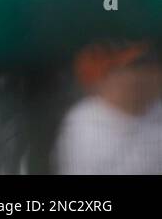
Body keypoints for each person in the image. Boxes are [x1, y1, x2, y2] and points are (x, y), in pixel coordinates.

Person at [56, 43, 162, 174]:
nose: (149, 76)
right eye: (136, 68)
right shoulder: (84, 122)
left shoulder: (157, 109)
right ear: (109, 76)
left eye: (152, 68)